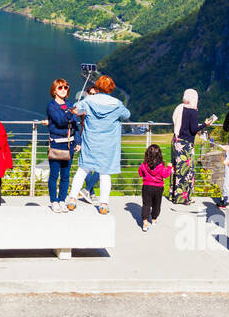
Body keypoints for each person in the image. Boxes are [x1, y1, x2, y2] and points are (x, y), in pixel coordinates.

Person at [66, 75, 130, 215]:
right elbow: (126, 115)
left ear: (98, 86)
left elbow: (76, 110)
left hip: (90, 142)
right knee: (105, 174)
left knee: (82, 170)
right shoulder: (117, 103)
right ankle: (103, 204)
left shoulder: (89, 100)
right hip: (108, 145)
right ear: (111, 88)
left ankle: (72, 199)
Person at [170, 89, 216, 206]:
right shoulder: (192, 111)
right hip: (186, 144)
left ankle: (174, 196)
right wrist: (205, 124)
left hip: (176, 141)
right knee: (186, 171)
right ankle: (185, 198)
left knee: (177, 169)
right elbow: (193, 129)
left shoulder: (180, 107)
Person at [46, 78, 79, 213]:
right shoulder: (51, 106)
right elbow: (60, 121)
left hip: (69, 144)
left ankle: (62, 200)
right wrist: (70, 113)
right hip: (56, 144)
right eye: (60, 88)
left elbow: (75, 125)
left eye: (66, 87)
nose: (64, 90)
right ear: (54, 91)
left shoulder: (69, 104)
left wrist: (78, 142)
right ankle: (54, 201)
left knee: (65, 175)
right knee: (54, 174)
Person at [138, 144, 171, 230]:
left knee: (146, 204)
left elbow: (140, 173)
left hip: (147, 187)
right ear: (159, 154)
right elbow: (166, 175)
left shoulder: (144, 165)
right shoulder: (161, 166)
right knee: (157, 204)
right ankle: (154, 219)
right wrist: (169, 168)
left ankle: (145, 223)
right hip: (158, 188)